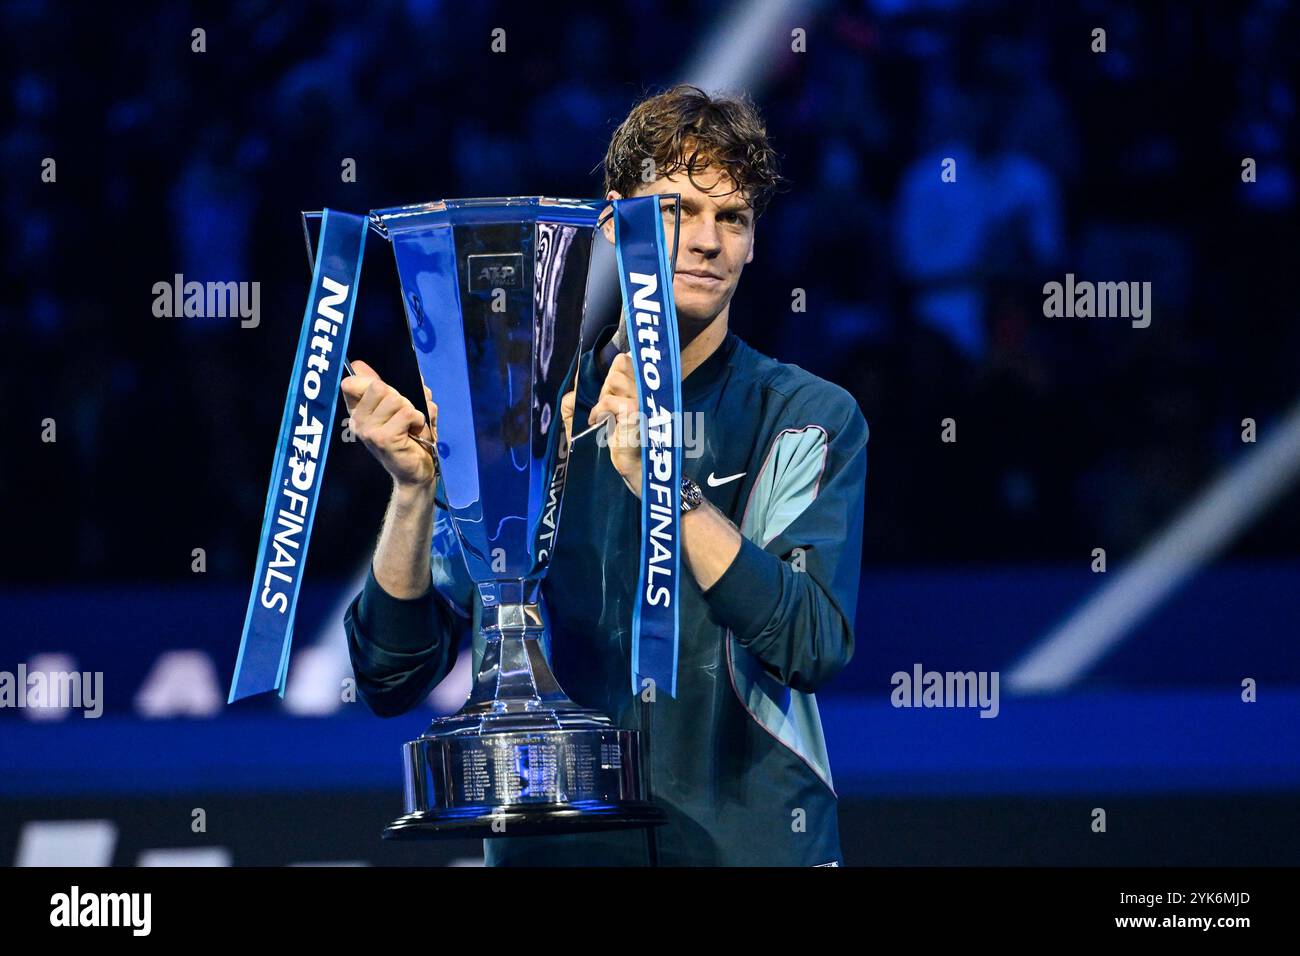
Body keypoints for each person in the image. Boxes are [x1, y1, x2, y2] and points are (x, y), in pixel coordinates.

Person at [340, 85, 869, 866]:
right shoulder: (521, 420)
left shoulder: (807, 415)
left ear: (755, 242)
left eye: (732, 218)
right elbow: (391, 675)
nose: (706, 241)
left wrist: (669, 488)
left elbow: (812, 644)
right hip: (561, 852)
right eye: (676, 211)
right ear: (615, 220)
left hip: (751, 847)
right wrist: (415, 496)